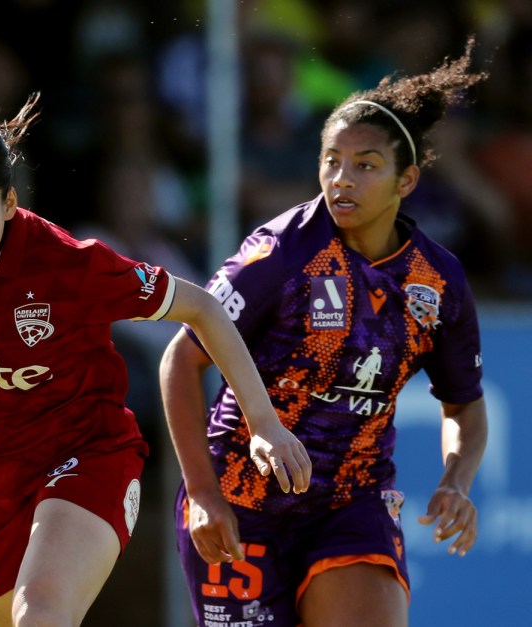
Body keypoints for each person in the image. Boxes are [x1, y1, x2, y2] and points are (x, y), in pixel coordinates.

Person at [0, 92, 309, 627]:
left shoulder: (68, 267)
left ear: (9, 203)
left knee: (39, 613)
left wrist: (264, 423)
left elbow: (203, 307)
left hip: (88, 452)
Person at [160, 40, 490, 627]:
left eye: (365, 165)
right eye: (331, 161)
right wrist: (205, 495)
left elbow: (463, 405)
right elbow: (180, 361)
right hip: (242, 498)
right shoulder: (282, 252)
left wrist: (456, 481)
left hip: (352, 500)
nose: (342, 179)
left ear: (406, 180)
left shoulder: (437, 280)